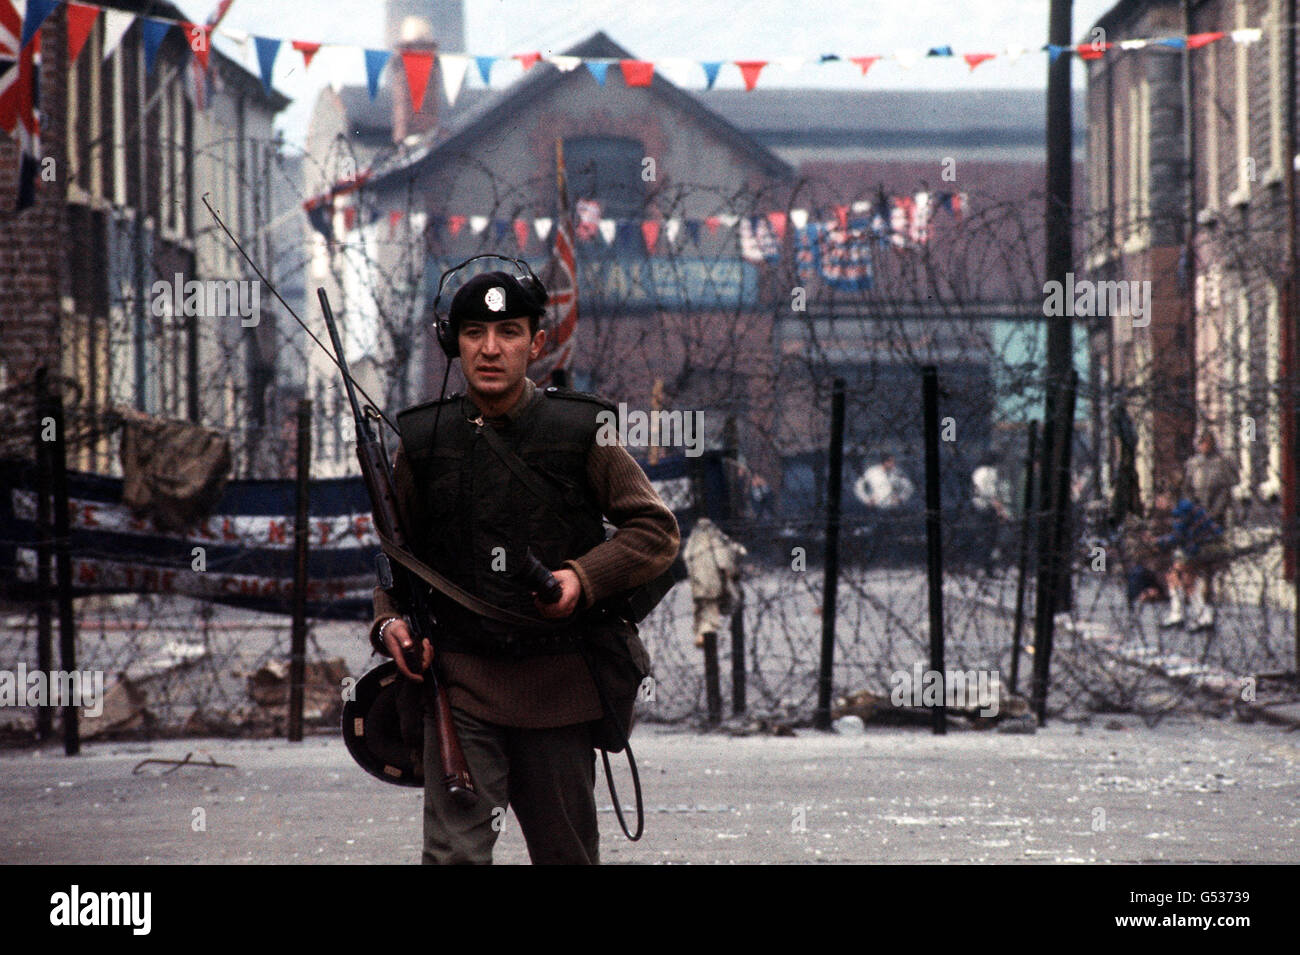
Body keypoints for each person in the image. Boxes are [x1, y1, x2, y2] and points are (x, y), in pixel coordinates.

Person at [369, 267, 680, 865]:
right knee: (455, 856)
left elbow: (656, 532)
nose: (490, 348)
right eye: (474, 332)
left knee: (566, 856)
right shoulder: (423, 441)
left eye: (509, 331)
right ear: (452, 342)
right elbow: (396, 558)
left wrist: (581, 579)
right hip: (460, 687)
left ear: (536, 343)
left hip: (559, 688)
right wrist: (389, 626)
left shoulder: (583, 430)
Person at [1152, 492, 1227, 631]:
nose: (1156, 504)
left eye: (1157, 499)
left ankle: (1198, 616)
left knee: (1183, 578)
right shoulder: (1185, 507)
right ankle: (1185, 615)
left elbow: (1178, 537)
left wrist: (1158, 542)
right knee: (1177, 576)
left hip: (1206, 547)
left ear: (1166, 497)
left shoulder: (1181, 510)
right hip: (1205, 545)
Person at [683, 517, 747, 649]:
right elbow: (724, 560)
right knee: (711, 609)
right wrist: (731, 571)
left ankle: (701, 633)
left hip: (699, 583)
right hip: (713, 583)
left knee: (701, 608)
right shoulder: (716, 541)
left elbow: (687, 558)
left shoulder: (694, 543)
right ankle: (706, 635)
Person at [1183, 430, 1236, 527]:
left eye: (1208, 443)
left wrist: (1215, 512)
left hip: (1216, 511)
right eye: (1203, 443)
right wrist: (1194, 507)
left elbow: (1226, 489)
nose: (1205, 446)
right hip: (1197, 510)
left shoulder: (1222, 462)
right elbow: (1187, 488)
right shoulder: (1193, 463)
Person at [970, 456, 1010, 571]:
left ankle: (982, 563)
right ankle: (989, 566)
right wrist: (1000, 509)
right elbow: (993, 492)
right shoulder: (991, 473)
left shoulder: (977, 472)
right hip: (990, 508)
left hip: (979, 506)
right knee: (992, 538)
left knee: (984, 536)